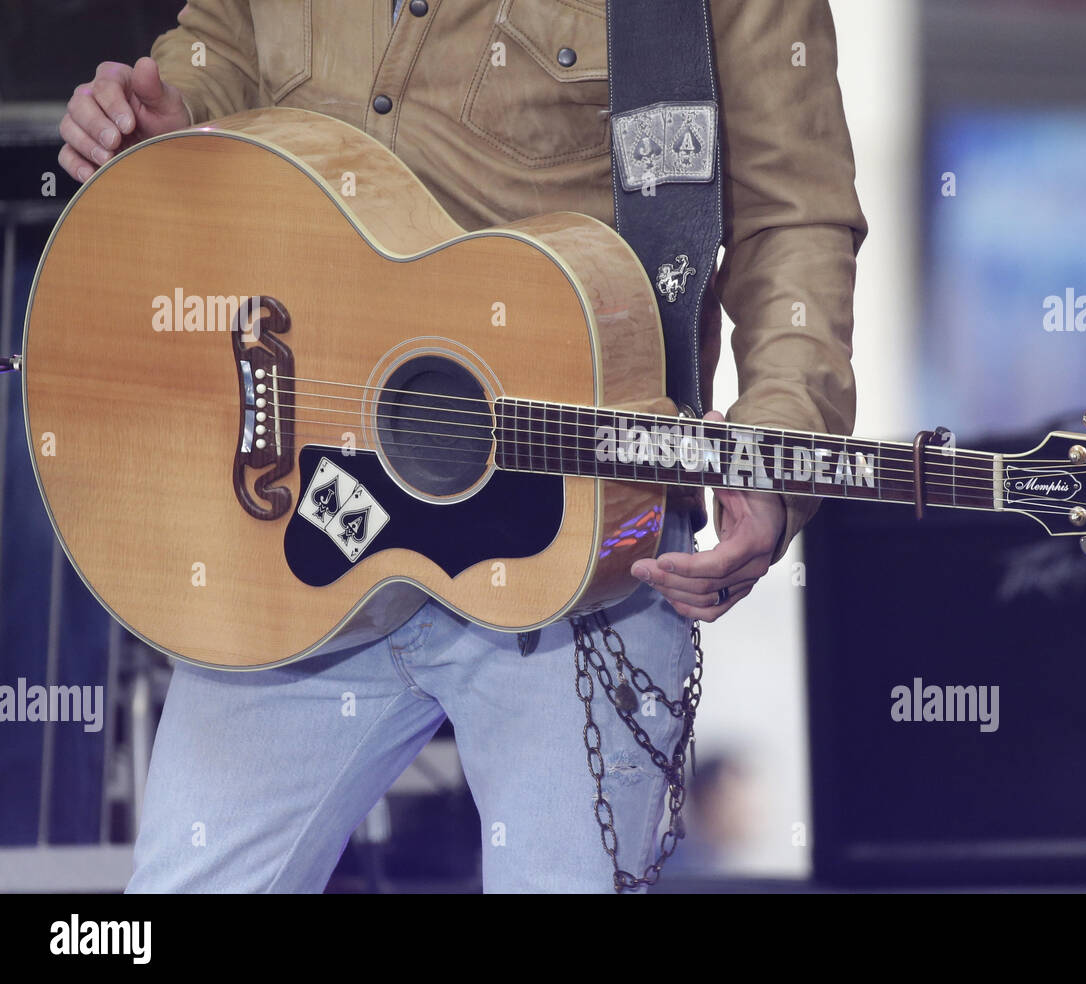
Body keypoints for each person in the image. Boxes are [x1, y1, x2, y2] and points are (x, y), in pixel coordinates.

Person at [57, 0, 866, 893]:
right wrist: (174, 118)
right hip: (291, 516)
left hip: (577, 549)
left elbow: (793, 217)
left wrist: (781, 447)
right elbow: (223, 42)